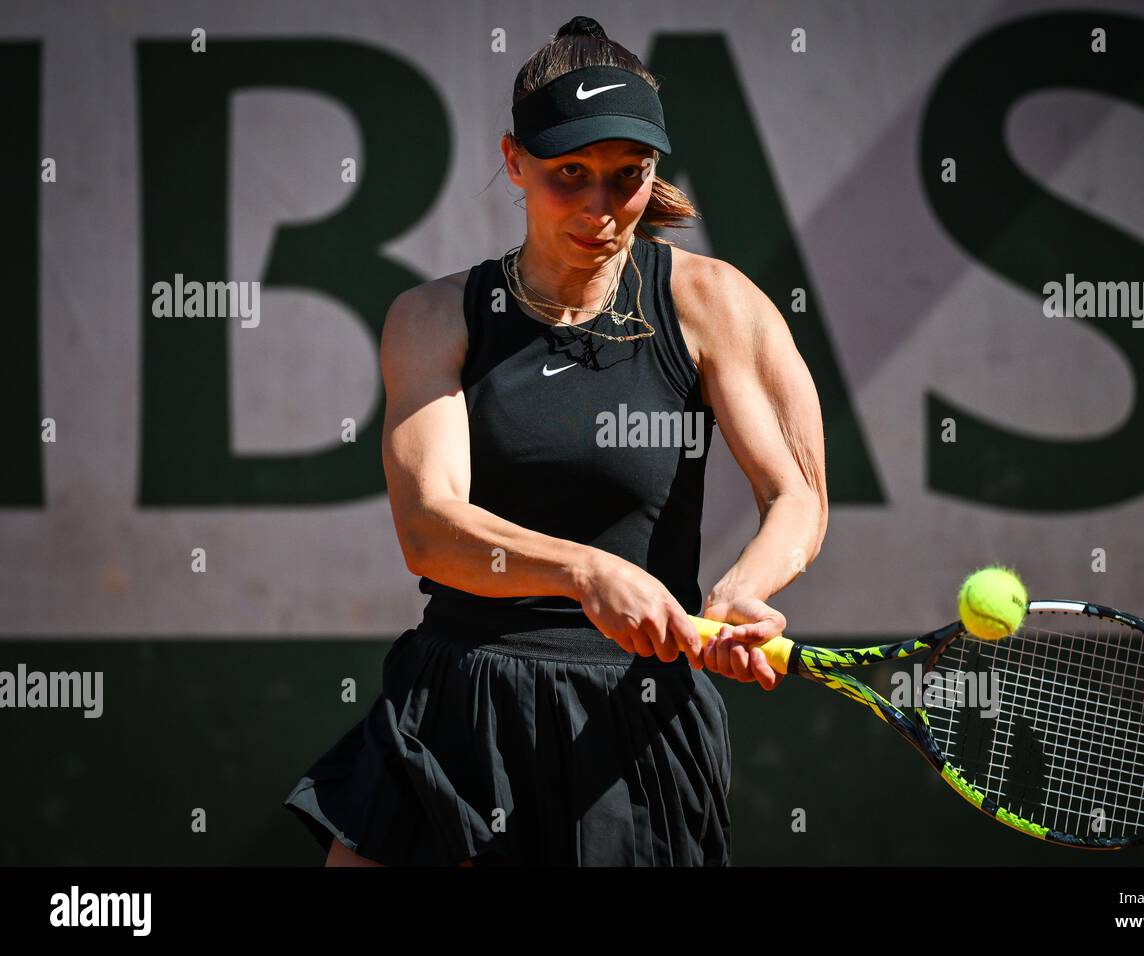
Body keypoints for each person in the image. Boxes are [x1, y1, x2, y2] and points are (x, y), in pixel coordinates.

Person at [283, 14, 827, 866]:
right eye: (569, 174)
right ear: (514, 162)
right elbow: (429, 527)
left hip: (640, 723)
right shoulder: (432, 319)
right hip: (457, 709)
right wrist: (587, 573)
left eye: (628, 177)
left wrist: (736, 596)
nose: (601, 208)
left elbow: (797, 495)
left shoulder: (716, 304)